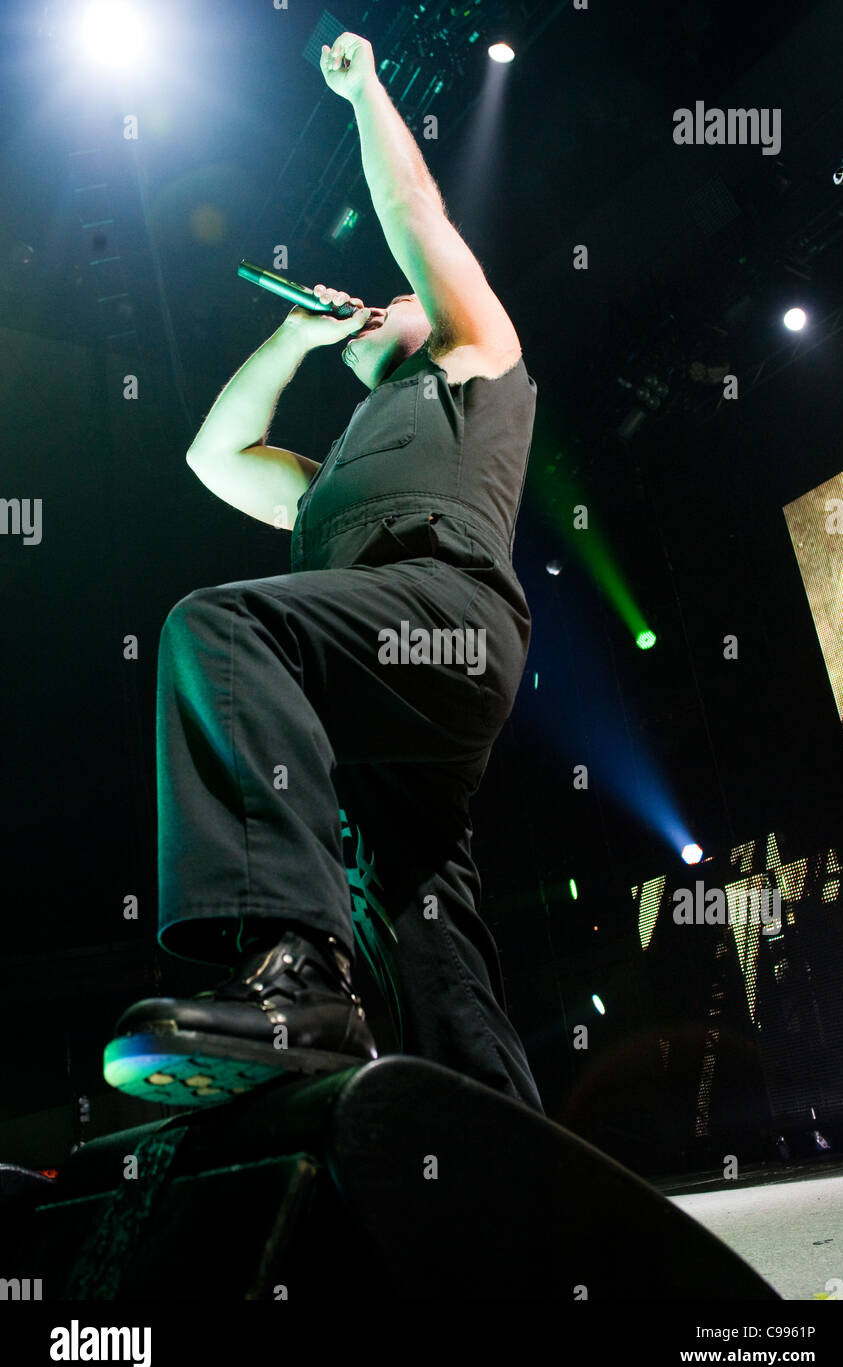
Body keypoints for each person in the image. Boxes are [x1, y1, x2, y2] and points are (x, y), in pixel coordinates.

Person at [104, 32, 544, 1114]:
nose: (371, 306)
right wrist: (295, 339)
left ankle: (299, 973)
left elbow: (418, 218)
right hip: (379, 719)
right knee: (425, 934)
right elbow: (214, 458)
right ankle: (520, 1174)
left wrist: (366, 93)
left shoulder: (470, 356)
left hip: (445, 620)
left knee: (224, 628)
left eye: (385, 302)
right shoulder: (329, 475)